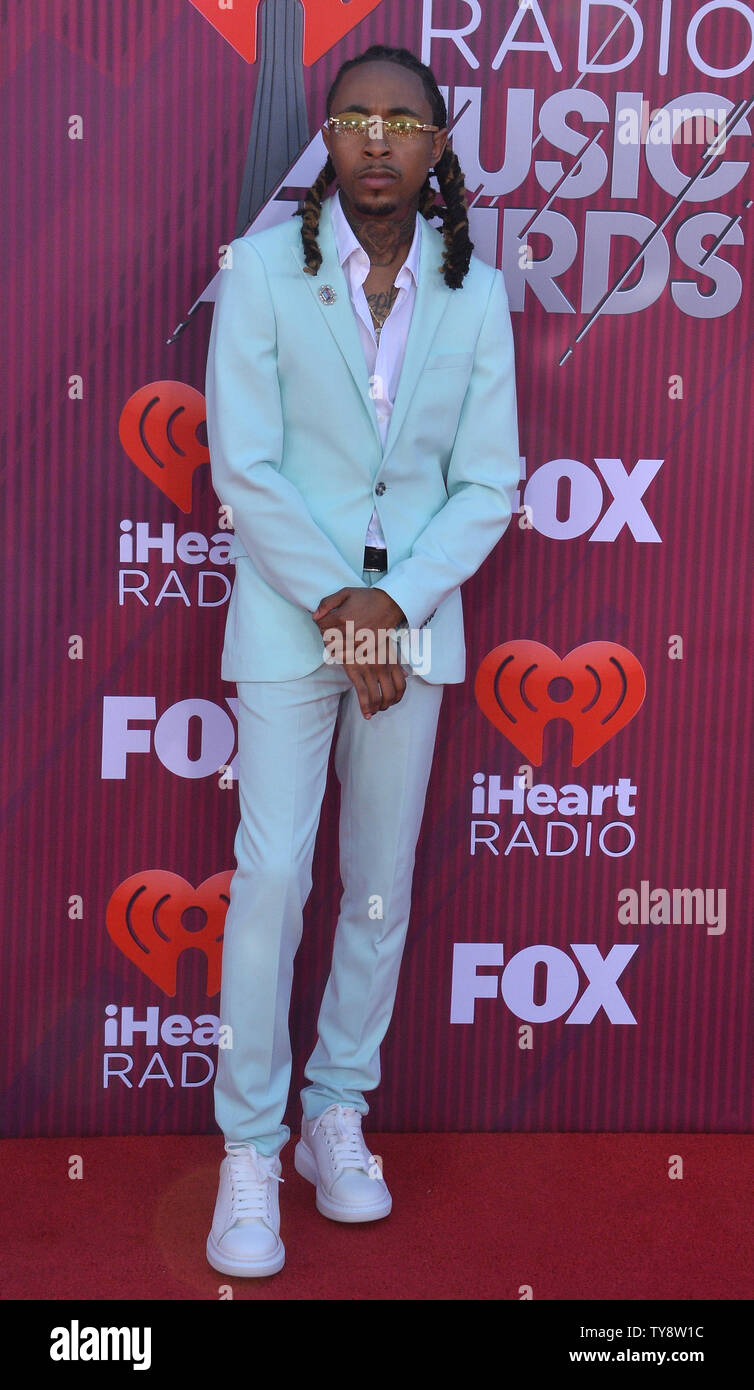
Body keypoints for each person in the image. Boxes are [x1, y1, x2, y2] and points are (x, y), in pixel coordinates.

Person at [204, 43, 520, 1278]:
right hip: (294, 617)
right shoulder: (260, 277)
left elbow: (489, 482)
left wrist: (393, 604)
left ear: (437, 149)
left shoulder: (475, 295)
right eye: (353, 118)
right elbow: (247, 466)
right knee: (276, 874)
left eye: (402, 121)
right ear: (323, 140)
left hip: (409, 630)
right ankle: (248, 1144)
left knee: (377, 884)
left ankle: (338, 1111)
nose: (377, 140)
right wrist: (346, 602)